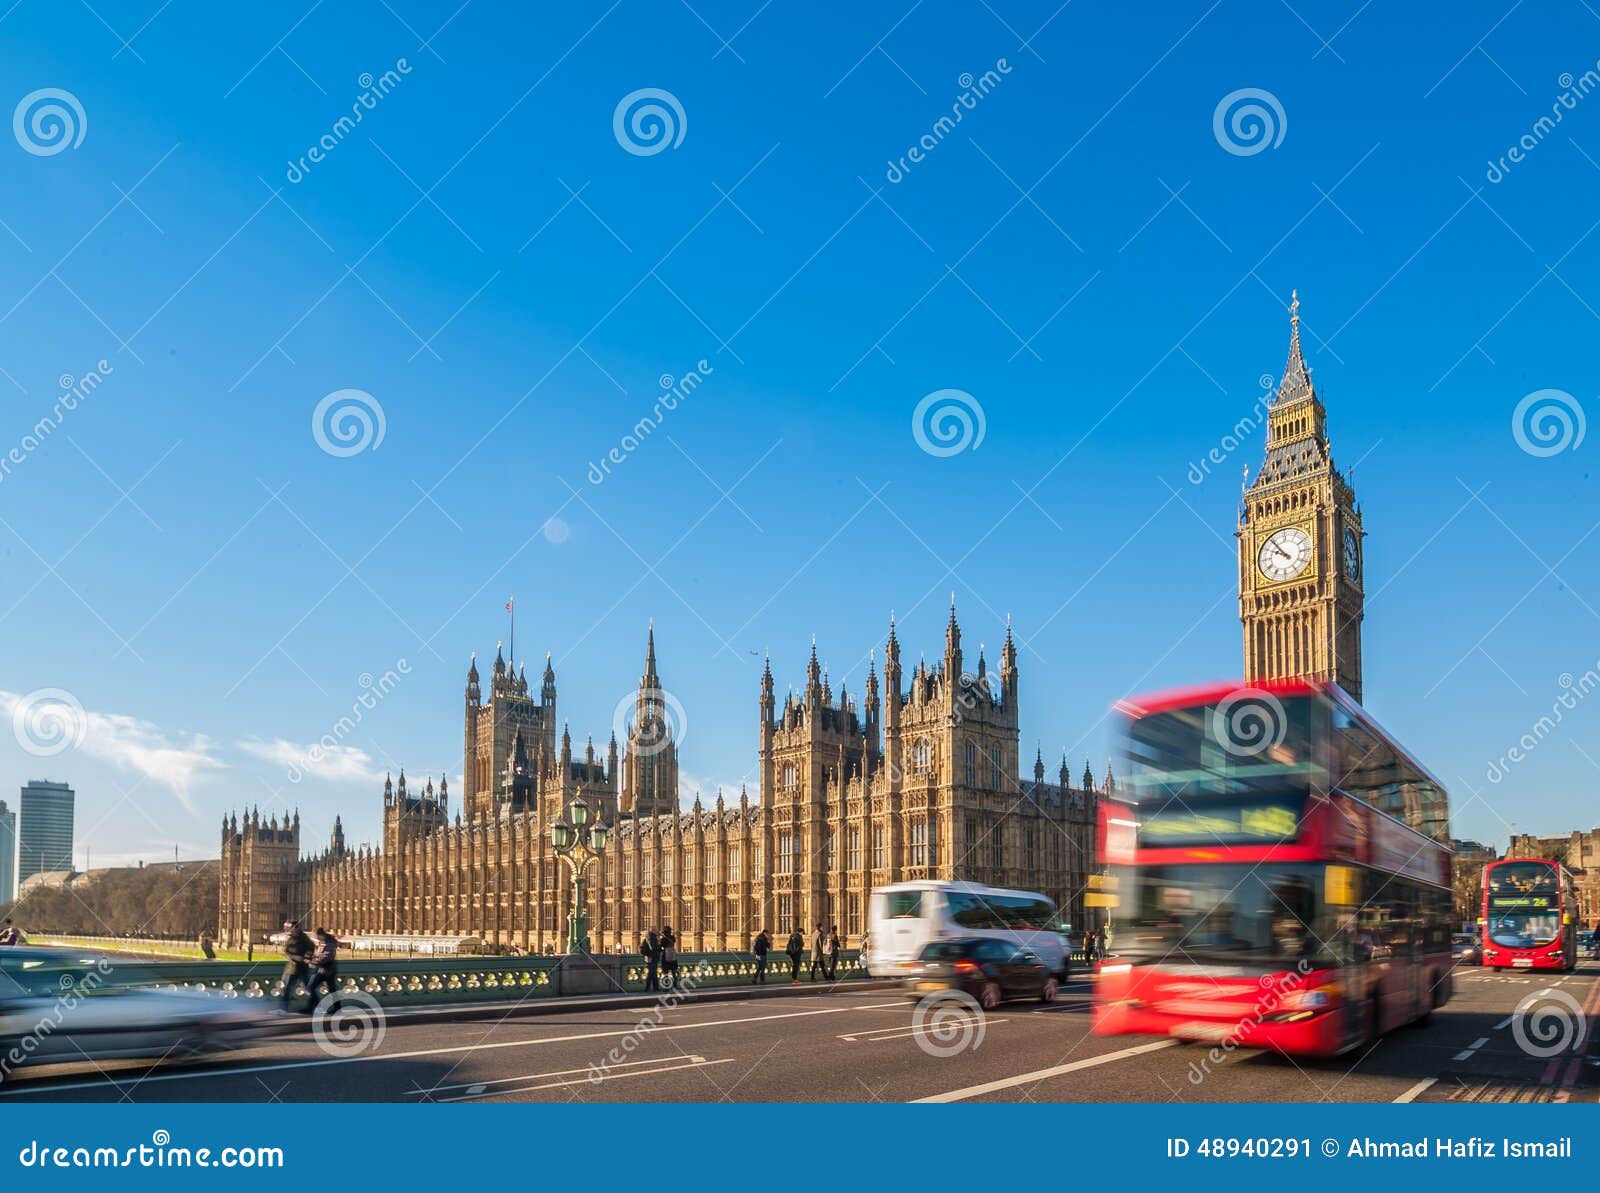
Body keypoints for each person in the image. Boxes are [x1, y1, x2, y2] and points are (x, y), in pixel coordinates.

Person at [279, 920, 313, 1013]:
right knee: (287, 987)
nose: (289, 929)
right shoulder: (290, 938)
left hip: (302, 967)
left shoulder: (304, 938)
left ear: (297, 927)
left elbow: (311, 948)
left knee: (307, 988)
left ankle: (314, 1005)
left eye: (291, 927)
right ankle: (283, 1007)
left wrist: (305, 957)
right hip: (292, 967)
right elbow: (285, 951)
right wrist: (293, 956)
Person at [306, 928, 339, 1008]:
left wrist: (312, 962)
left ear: (321, 935)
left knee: (311, 987)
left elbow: (325, 957)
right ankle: (337, 1007)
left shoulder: (329, 944)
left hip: (327, 969)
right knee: (332, 990)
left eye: (316, 936)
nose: (316, 938)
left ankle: (315, 1007)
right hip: (325, 968)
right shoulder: (323, 942)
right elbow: (320, 955)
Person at [640, 927, 661, 992]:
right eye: (656, 931)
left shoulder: (646, 939)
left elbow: (642, 950)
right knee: (652, 973)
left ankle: (652, 988)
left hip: (649, 958)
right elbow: (657, 949)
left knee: (652, 973)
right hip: (654, 958)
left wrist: (647, 954)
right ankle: (650, 988)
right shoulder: (655, 939)